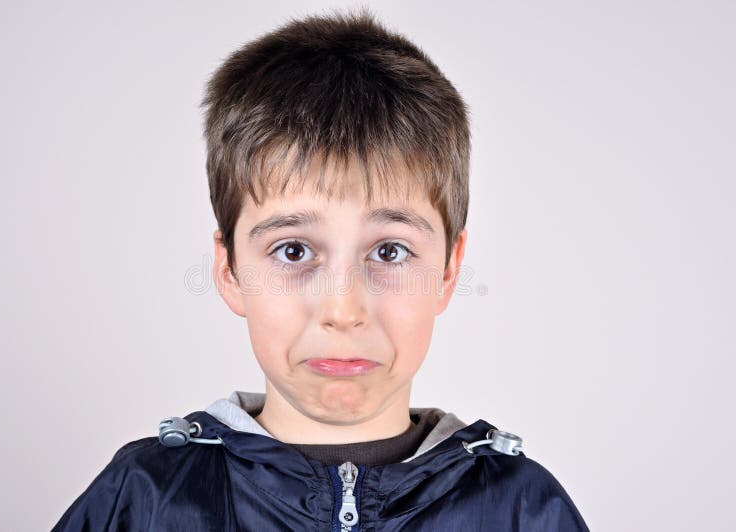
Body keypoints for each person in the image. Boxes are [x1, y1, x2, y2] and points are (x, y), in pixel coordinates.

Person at [53, 8, 589, 531]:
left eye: (389, 252)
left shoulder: (522, 508)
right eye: (293, 252)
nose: (342, 311)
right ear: (231, 271)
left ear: (448, 272)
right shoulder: (144, 499)